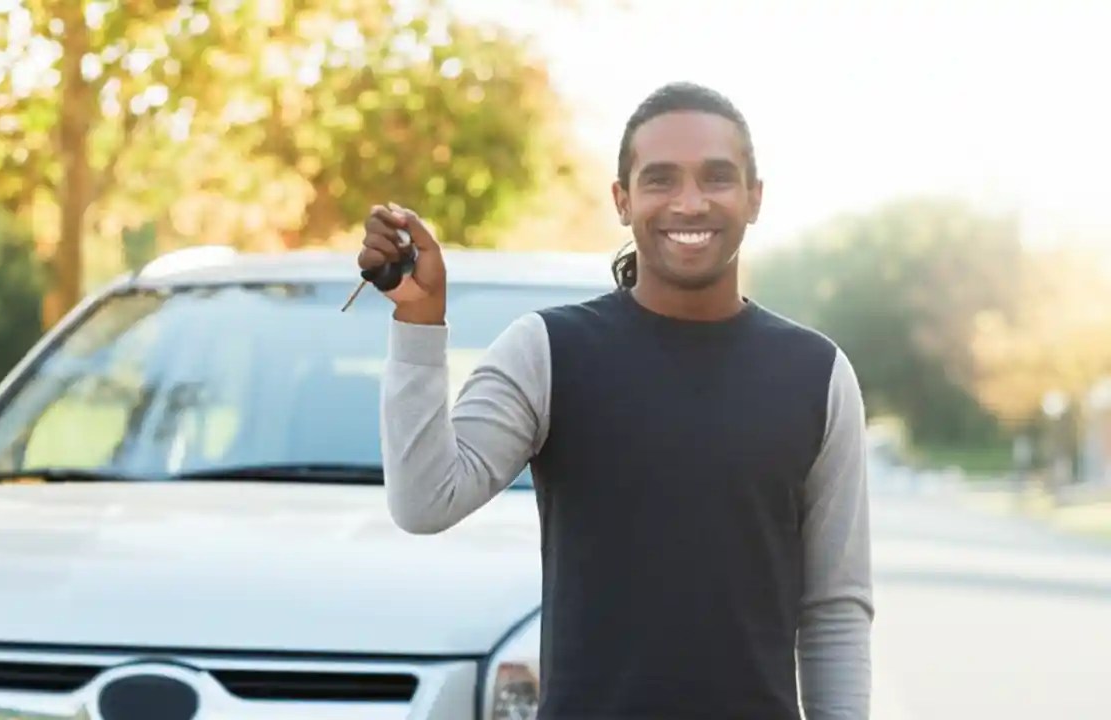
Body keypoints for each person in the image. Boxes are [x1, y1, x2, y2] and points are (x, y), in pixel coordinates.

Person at [357, 81, 873, 719]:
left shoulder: (817, 374)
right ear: (623, 200)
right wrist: (418, 319)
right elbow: (423, 501)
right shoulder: (547, 350)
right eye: (660, 180)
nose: (689, 203)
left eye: (716, 178)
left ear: (754, 198)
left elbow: (834, 609)